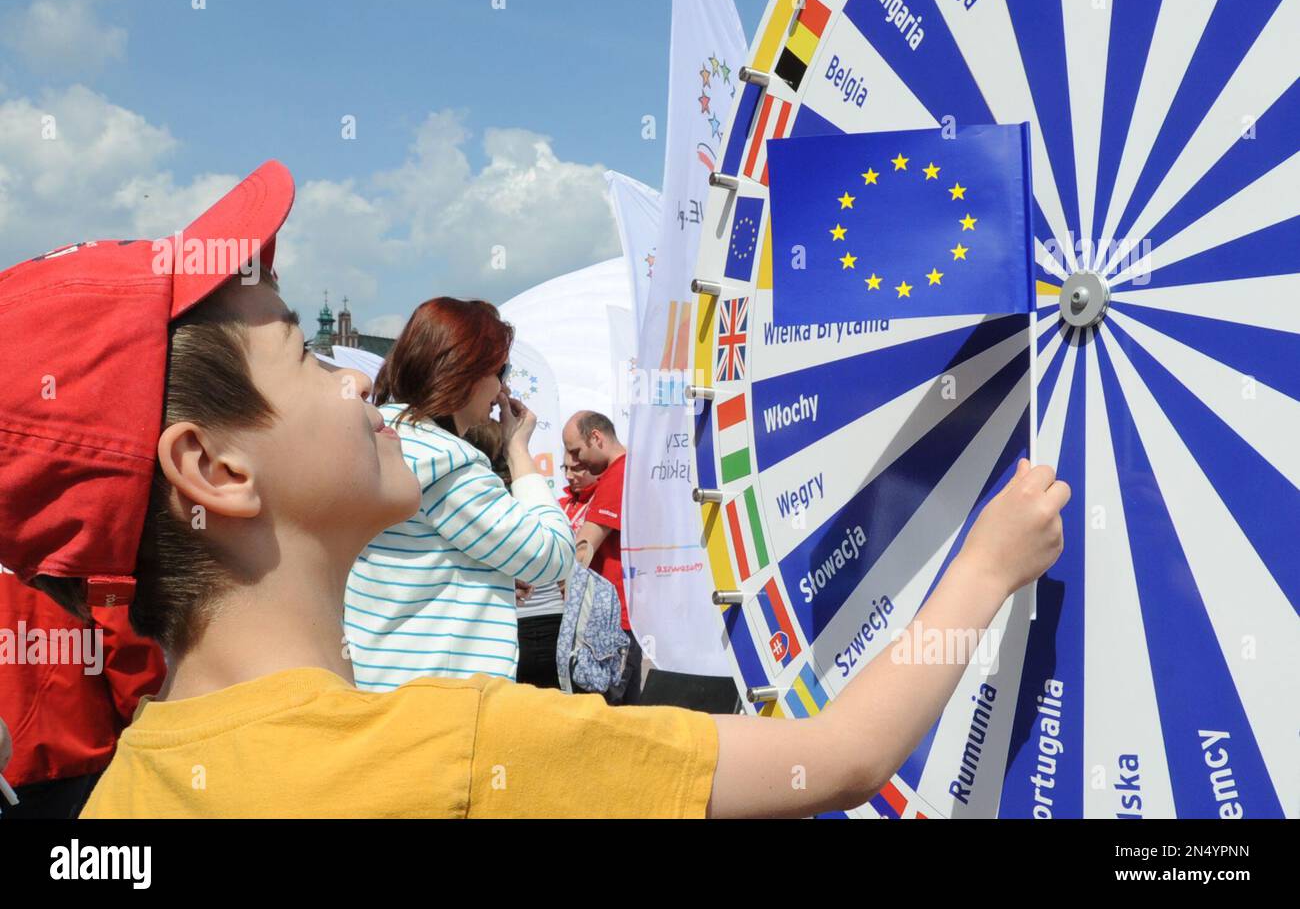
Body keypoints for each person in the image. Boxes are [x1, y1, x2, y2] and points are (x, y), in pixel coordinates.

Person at [1, 160, 1070, 818]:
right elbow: (836, 762)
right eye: (304, 354)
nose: (356, 380)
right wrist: (986, 561)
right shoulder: (453, 752)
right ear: (213, 472)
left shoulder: (129, 791)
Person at [343, 299, 575, 687]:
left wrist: (491, 573)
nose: (503, 387)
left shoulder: (383, 440)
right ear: (467, 373)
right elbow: (553, 556)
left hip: (386, 682)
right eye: (501, 371)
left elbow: (418, 561)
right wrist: (518, 450)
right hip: (446, 701)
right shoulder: (447, 462)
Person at [0, 572, 165, 818]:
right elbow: (126, 646)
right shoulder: (78, 539)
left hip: (53, 756)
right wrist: (156, 727)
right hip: (68, 752)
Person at [561, 411, 638, 702]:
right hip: (626, 613)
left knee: (605, 713)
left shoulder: (619, 472)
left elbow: (584, 545)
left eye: (576, 451)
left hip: (613, 618)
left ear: (596, 437)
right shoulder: (631, 469)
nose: (574, 461)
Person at [514, 463, 599, 689]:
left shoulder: (497, 510)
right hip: (555, 621)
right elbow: (569, 557)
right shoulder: (545, 507)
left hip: (520, 625)